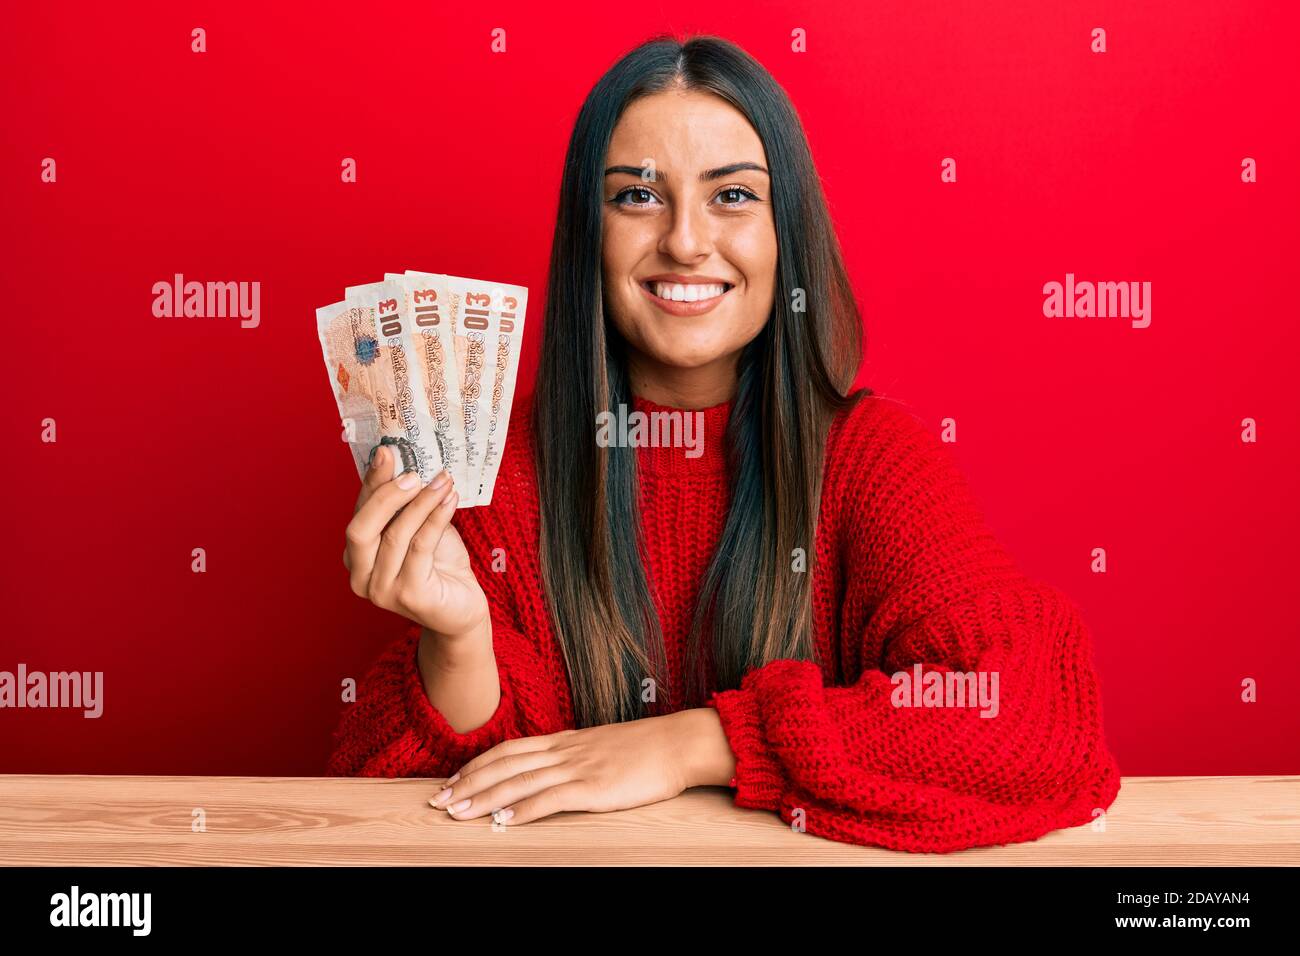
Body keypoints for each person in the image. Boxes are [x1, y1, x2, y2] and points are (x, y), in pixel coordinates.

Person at [327, 33, 1121, 853]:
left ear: (788, 234)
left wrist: (691, 745)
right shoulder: (495, 476)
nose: (684, 242)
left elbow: (1029, 717)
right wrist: (458, 642)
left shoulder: (871, 462)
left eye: (733, 196)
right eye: (637, 196)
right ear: (586, 238)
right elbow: (402, 818)